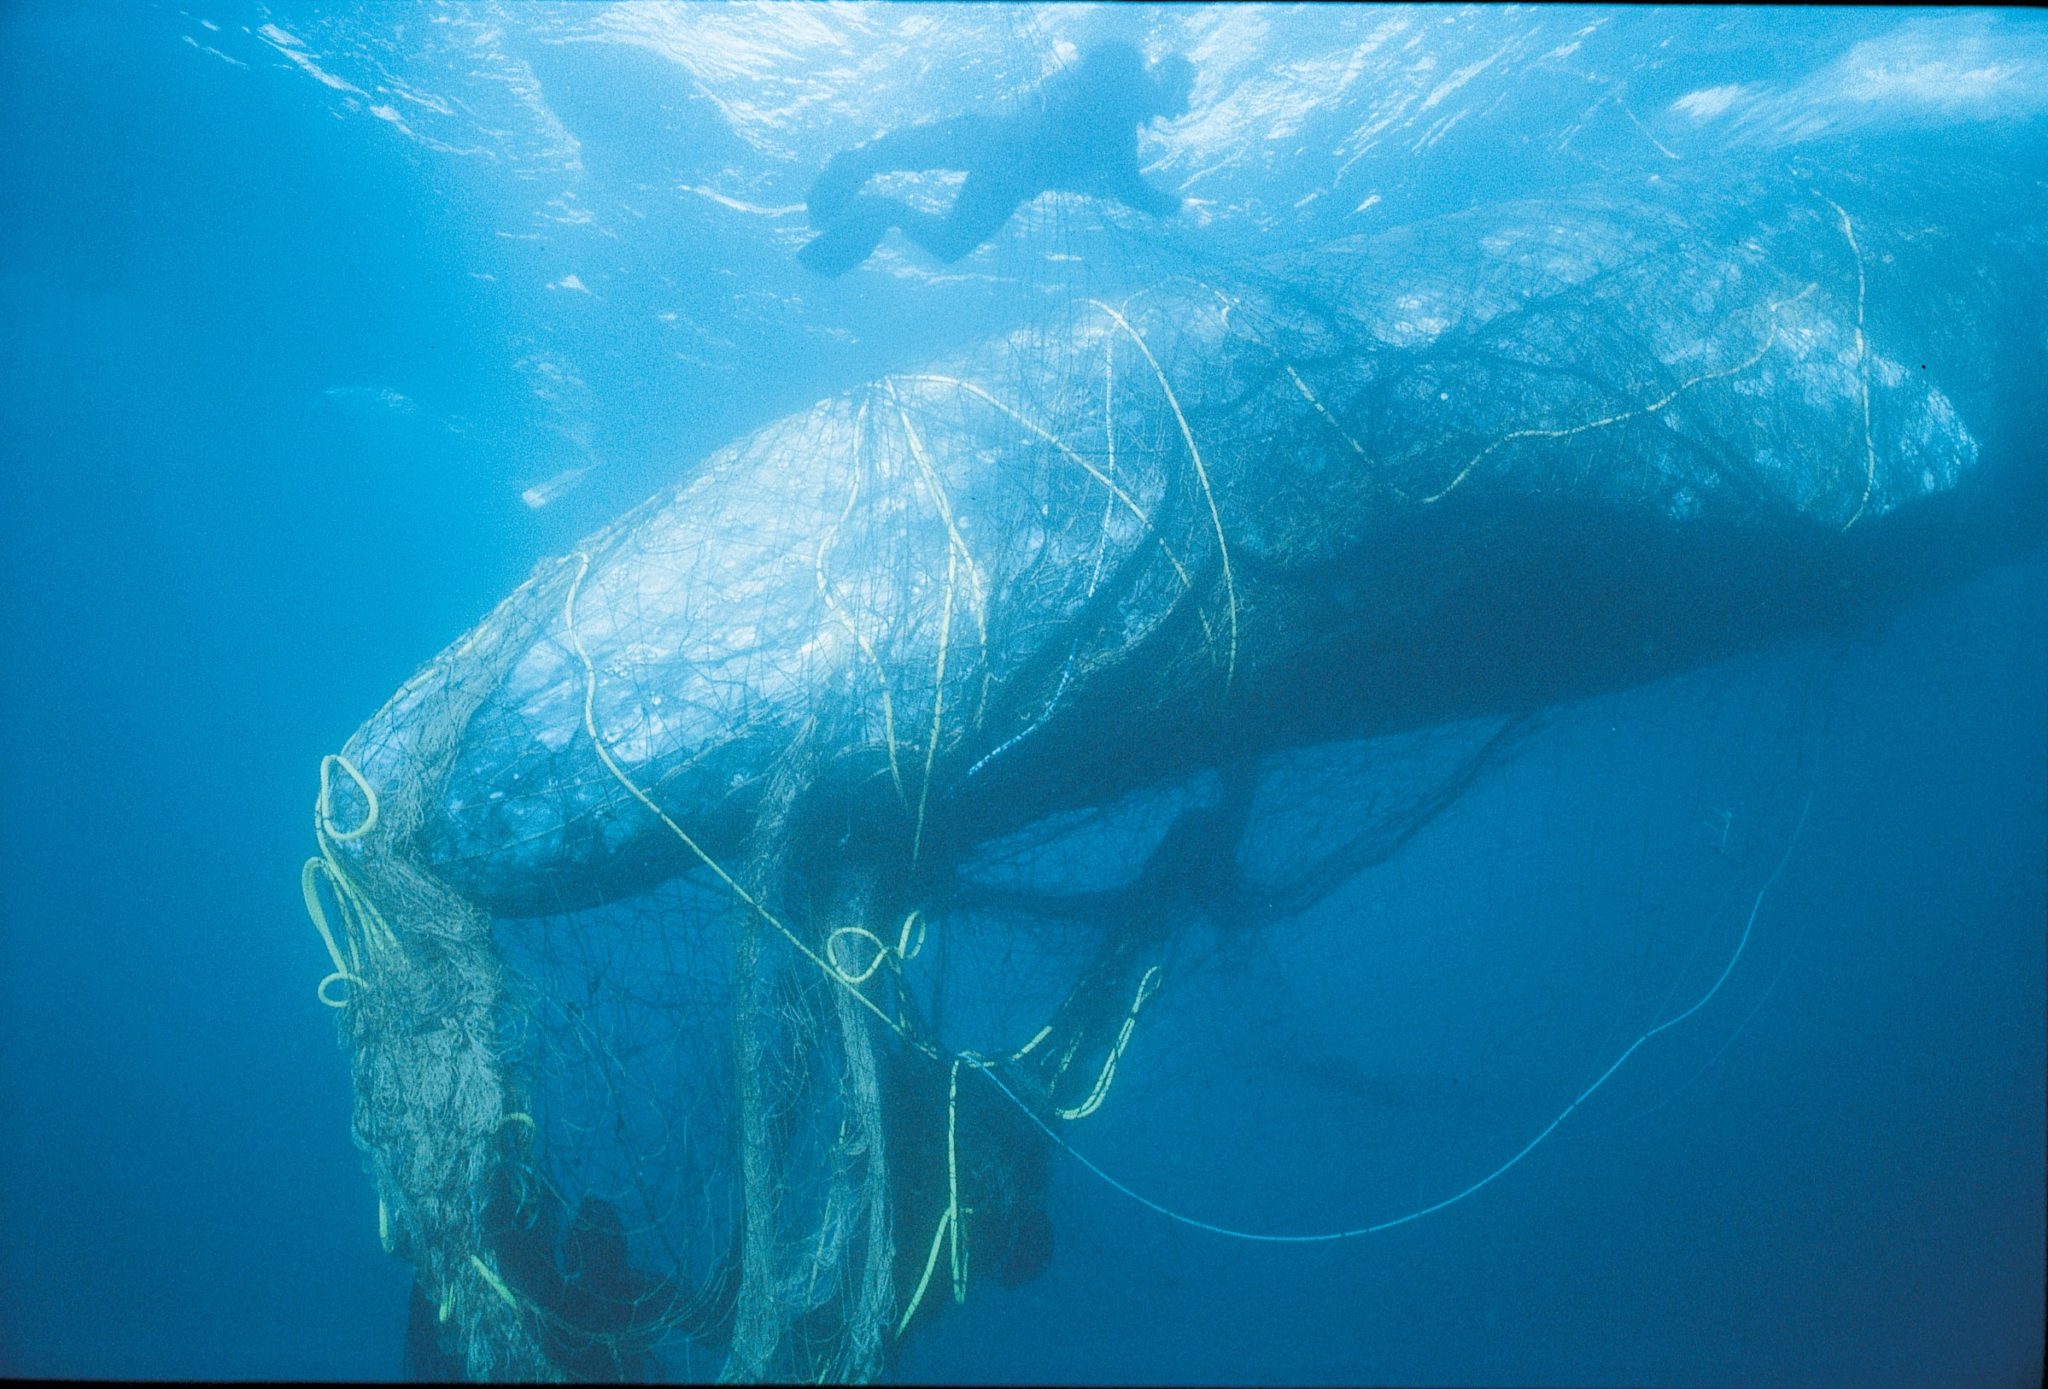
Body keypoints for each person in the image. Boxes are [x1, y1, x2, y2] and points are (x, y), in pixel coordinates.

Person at [798, 43, 1194, 276]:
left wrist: (1162, 203)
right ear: (1167, 81)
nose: (1182, 107)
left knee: (946, 239)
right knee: (900, 164)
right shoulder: (1121, 118)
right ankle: (861, 186)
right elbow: (1128, 186)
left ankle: (879, 209)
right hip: (998, 146)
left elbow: (1127, 185)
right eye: (1182, 93)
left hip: (1002, 166)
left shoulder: (1121, 133)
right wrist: (1167, 205)